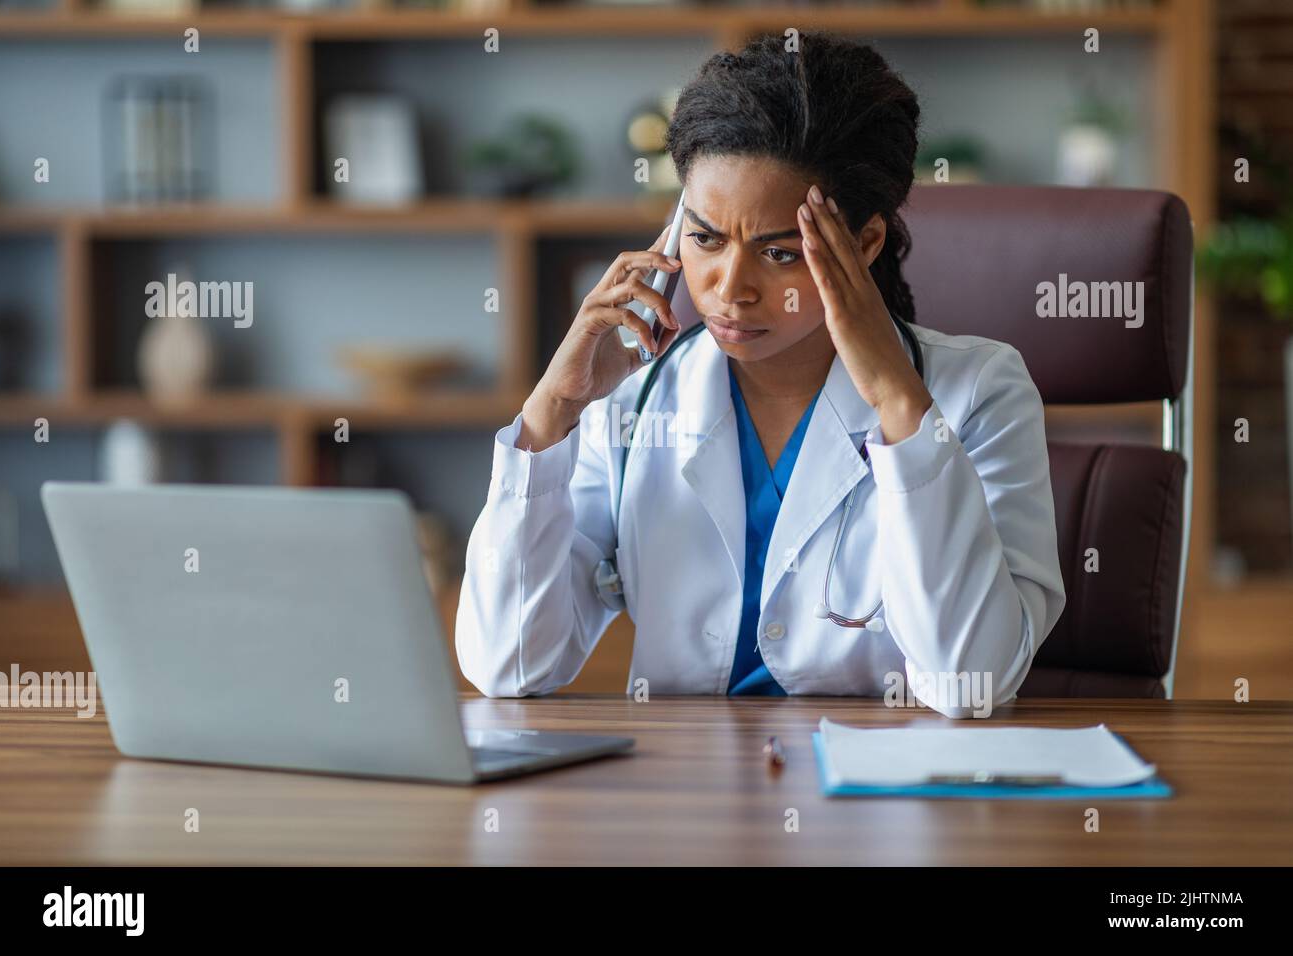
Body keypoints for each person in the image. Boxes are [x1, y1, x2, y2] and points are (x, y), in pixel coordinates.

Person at [455, 31, 1066, 717]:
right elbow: (506, 665)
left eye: (779, 254)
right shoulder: (634, 398)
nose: (729, 289)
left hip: (881, 810)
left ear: (864, 242)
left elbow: (969, 687)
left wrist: (900, 405)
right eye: (706, 239)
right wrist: (549, 415)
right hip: (682, 802)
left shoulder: (980, 393)